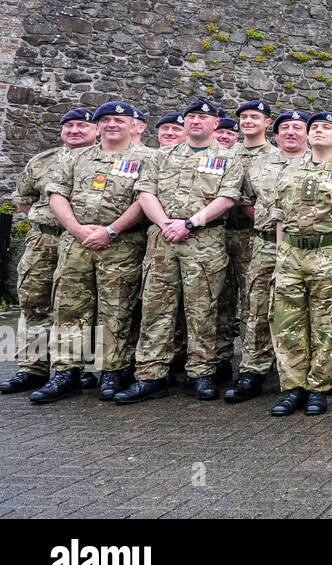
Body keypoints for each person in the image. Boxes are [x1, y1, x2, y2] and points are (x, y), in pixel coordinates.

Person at [113, 99, 244, 404]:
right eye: (191, 117)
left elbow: (227, 198)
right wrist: (166, 223)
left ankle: (201, 373)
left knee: (203, 309)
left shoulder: (229, 158)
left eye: (202, 117)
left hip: (204, 241)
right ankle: (151, 374)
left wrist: (190, 223)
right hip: (163, 240)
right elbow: (145, 192)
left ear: (215, 123)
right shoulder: (161, 156)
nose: (195, 121)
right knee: (155, 308)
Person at [34, 102, 152, 403]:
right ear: (97, 126)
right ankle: (66, 373)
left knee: (117, 310)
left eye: (119, 120)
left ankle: (112, 370)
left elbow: (144, 199)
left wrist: (110, 230)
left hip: (121, 244)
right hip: (76, 242)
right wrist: (75, 229)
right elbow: (57, 195)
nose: (112, 124)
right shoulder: (76, 157)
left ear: (132, 125)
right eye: (106, 120)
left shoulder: (149, 158)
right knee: (69, 308)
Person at [268, 111, 332, 416]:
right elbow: (279, 216)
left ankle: (318, 387)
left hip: (327, 252)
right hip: (291, 253)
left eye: (327, 127)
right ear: (308, 137)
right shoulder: (288, 169)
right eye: (315, 128)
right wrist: (279, 251)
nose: (319, 131)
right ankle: (293, 387)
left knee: (326, 324)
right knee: (287, 322)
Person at [0, 108, 97, 395]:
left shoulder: (103, 160)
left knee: (79, 307)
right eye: (69, 126)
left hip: (83, 242)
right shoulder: (42, 161)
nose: (74, 130)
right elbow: (25, 201)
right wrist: (50, 224)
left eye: (82, 125)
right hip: (44, 241)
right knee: (34, 303)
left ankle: (76, 369)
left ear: (96, 130)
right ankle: (32, 369)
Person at [225, 109, 308, 403]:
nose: (291, 132)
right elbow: (248, 202)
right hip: (263, 246)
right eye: (285, 128)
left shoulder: (317, 164)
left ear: (307, 134)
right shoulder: (257, 164)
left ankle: (300, 374)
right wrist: (270, 226)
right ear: (275, 134)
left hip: (303, 247)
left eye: (298, 128)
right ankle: (252, 370)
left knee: (301, 311)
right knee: (257, 308)